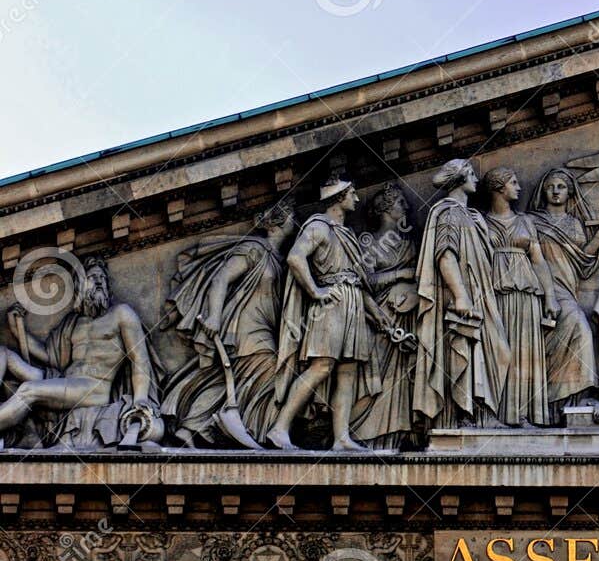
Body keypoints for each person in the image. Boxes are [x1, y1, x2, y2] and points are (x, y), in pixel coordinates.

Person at [158, 201, 296, 448]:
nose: (294, 221)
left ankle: (191, 427)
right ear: (278, 222)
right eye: (291, 216)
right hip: (245, 326)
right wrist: (213, 317)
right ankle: (250, 428)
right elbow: (221, 279)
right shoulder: (253, 249)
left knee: (231, 378)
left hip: (267, 325)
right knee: (268, 369)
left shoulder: (279, 259)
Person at [267, 180, 393, 451]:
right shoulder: (318, 226)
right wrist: (315, 291)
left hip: (353, 304)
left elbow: (356, 280)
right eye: (352, 194)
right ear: (338, 198)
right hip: (331, 304)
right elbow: (295, 258)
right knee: (321, 367)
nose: (357, 200)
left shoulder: (345, 233)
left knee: (347, 373)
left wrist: (375, 312)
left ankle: (341, 438)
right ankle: (279, 428)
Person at [0, 257, 161, 451]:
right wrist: (19, 332)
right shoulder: (74, 322)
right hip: (64, 380)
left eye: (102, 278)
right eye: (93, 278)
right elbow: (52, 358)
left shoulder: (121, 314)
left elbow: (139, 360)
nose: (99, 281)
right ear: (79, 287)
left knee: (28, 390)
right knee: (4, 354)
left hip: (93, 388)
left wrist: (141, 399)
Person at [414, 159, 514, 429]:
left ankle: (483, 412)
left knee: (499, 351)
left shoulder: (472, 216)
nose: (476, 179)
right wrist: (460, 296)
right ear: (458, 179)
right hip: (464, 295)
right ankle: (468, 416)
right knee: (467, 350)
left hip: (482, 293)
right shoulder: (448, 213)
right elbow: (445, 255)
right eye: (471, 174)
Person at [527, 168, 599, 416]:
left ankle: (571, 399)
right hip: (538, 288)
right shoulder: (532, 221)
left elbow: (582, 263)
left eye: (561, 186)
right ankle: (557, 400)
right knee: (579, 328)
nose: (555, 191)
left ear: (569, 192)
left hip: (566, 288)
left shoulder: (574, 224)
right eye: (550, 186)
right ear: (543, 191)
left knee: (578, 331)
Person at [481, 167, 556, 426]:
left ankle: (523, 414)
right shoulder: (481, 222)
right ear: (499, 188)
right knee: (498, 351)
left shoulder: (526, 221)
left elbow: (539, 261)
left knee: (526, 353)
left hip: (526, 293)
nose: (519, 187)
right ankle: (496, 413)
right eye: (513, 183)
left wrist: (550, 297)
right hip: (495, 294)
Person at [351, 185, 421, 449]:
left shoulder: (409, 244)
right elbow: (362, 280)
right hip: (377, 318)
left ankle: (394, 436)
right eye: (400, 203)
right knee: (372, 376)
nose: (406, 207)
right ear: (386, 209)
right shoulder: (367, 242)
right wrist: (400, 275)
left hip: (406, 318)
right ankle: (362, 434)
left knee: (400, 380)